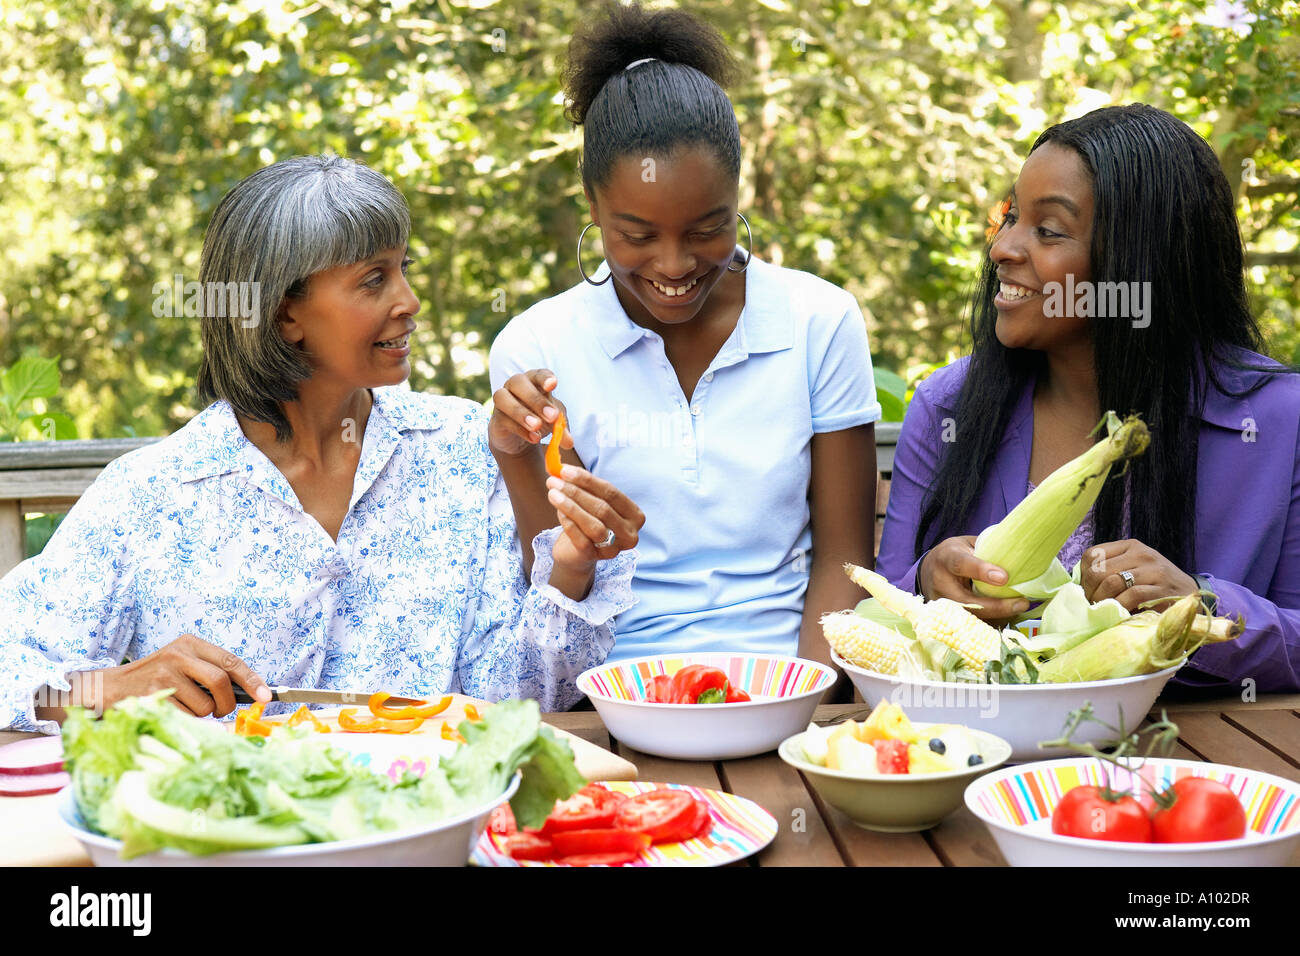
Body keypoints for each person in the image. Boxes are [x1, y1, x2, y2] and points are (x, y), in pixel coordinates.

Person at [0, 154, 642, 733]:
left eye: (404, 270)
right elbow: (11, 674)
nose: (410, 301)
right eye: (373, 280)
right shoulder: (151, 494)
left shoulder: (462, 451)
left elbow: (526, 696)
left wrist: (571, 565)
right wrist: (113, 685)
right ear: (284, 314)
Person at [487, 2, 880, 672]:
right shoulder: (537, 346)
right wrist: (519, 458)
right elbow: (554, 593)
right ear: (593, 208)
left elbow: (844, 563)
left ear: (737, 192)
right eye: (637, 236)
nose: (674, 267)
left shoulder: (821, 321)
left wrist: (807, 711)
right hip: (612, 692)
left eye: (707, 229)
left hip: (786, 682)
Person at [875, 104, 1300, 693]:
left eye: (1048, 230)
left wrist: (1198, 609)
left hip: (1196, 760)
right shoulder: (949, 406)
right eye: (1011, 218)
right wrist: (927, 582)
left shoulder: (1279, 419)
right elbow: (883, 607)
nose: (1001, 248)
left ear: (1142, 264)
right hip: (983, 759)